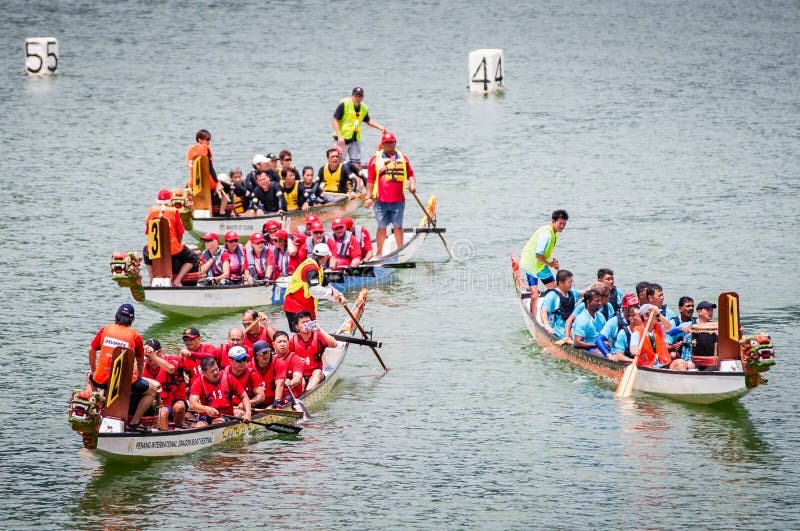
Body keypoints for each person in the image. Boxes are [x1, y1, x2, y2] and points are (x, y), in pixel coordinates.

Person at [87, 304, 158, 431]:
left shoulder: (105, 329)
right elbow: (140, 361)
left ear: (116, 316)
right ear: (132, 319)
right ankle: (135, 422)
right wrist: (139, 377)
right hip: (124, 384)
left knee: (89, 377)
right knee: (152, 390)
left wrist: (94, 370)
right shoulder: (135, 335)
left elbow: (91, 350)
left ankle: (94, 408)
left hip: (102, 380)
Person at [364, 131, 416, 258]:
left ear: (395, 143)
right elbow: (370, 180)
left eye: (391, 142)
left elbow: (410, 174)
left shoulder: (403, 158)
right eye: (386, 143)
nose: (389, 145)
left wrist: (412, 184)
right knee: (381, 227)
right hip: (380, 200)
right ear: (382, 144)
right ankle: (379, 252)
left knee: (398, 226)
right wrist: (368, 197)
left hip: (398, 200)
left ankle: (400, 250)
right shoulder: (375, 159)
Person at [283, 242, 346, 331]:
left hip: (305, 306)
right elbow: (315, 291)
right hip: (295, 306)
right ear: (326, 257)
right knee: (304, 334)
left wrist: (338, 295)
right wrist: (332, 293)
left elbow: (326, 285)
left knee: (312, 333)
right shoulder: (311, 268)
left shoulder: (318, 267)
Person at [142, 189, 199, 286]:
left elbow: (148, 232)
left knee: (145, 251)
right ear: (170, 200)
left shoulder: (151, 211)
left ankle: (151, 280)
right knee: (194, 258)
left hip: (154, 249)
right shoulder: (174, 211)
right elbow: (180, 233)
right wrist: (179, 244)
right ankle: (177, 280)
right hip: (172, 248)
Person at [519, 209, 569, 317]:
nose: (562, 226)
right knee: (534, 296)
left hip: (540, 265)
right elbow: (538, 255)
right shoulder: (547, 234)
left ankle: (552, 314)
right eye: (560, 223)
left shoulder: (555, 233)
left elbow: (544, 254)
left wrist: (552, 263)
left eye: (564, 224)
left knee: (556, 290)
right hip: (531, 264)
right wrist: (550, 264)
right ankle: (533, 318)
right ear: (553, 221)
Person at [331, 86, 385, 171]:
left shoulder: (363, 107)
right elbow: (335, 120)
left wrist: (380, 127)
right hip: (342, 140)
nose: (357, 98)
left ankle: (357, 179)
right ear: (352, 96)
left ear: (362, 97)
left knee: (356, 164)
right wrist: (339, 136)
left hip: (354, 139)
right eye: (356, 96)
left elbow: (368, 120)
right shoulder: (344, 105)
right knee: (338, 162)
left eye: (360, 96)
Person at [189, 357, 251, 426]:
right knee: (199, 426)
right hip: (206, 416)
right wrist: (206, 409)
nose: (216, 373)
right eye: (212, 371)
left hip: (226, 416)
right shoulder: (198, 383)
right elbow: (193, 404)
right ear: (204, 373)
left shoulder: (228, 378)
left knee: (219, 421)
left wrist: (248, 414)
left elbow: (244, 396)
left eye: (216, 369)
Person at [142, 338, 187, 430]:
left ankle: (177, 430)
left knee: (166, 412)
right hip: (152, 402)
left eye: (150, 354)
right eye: (146, 355)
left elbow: (171, 369)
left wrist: (153, 356)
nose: (148, 358)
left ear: (160, 352)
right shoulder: (143, 365)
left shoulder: (173, 359)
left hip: (170, 401)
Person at [630, 305, 691, 370]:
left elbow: (668, 327)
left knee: (681, 363)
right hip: (647, 365)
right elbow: (632, 348)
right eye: (655, 315)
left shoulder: (660, 327)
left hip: (664, 363)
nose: (657, 317)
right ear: (645, 316)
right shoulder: (637, 333)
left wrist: (658, 314)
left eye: (658, 315)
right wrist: (634, 350)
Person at [291, 312, 338, 392]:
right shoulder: (292, 341)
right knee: (299, 378)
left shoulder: (318, 336)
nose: (306, 324)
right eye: (303, 322)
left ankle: (307, 393)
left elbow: (334, 344)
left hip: (316, 375)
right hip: (300, 375)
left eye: (308, 321)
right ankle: (302, 393)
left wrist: (320, 330)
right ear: (297, 326)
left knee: (317, 372)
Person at [538, 270, 580, 339]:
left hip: (571, 326)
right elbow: (543, 312)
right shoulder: (552, 296)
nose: (571, 284)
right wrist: (547, 326)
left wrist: (597, 283)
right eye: (569, 282)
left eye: (571, 282)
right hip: (557, 330)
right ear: (560, 283)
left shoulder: (572, 292)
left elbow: (585, 293)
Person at [224, 346, 266, 411]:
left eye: (244, 359)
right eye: (239, 360)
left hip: (248, 409)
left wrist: (248, 402)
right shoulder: (224, 375)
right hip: (232, 408)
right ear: (230, 361)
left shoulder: (252, 375)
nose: (243, 362)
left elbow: (261, 396)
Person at [570, 289, 608, 355]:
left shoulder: (601, 316)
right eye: (597, 301)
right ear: (588, 302)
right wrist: (597, 345)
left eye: (600, 301)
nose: (600, 303)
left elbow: (606, 335)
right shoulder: (582, 319)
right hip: (589, 348)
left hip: (599, 345)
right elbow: (577, 343)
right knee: (601, 353)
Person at [272, 331, 304, 407]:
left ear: (288, 343)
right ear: (273, 345)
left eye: (285, 341)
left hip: (291, 395)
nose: (282, 344)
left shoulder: (295, 359)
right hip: (275, 395)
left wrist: (291, 382)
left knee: (286, 399)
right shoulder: (271, 360)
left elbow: (298, 378)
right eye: (279, 342)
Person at [248, 340, 279, 407]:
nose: (266, 355)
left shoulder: (278, 363)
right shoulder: (248, 368)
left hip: (274, 401)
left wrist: (277, 401)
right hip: (257, 402)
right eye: (262, 353)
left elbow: (280, 384)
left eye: (267, 352)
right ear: (256, 356)